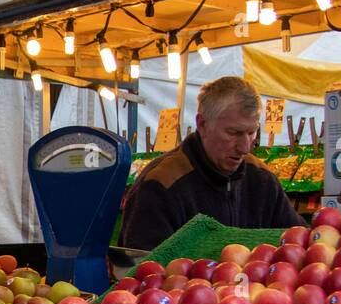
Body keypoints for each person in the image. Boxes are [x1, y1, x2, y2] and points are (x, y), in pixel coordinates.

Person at [119, 76, 305, 250]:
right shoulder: (161, 185)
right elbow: (142, 271)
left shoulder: (262, 179)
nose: (245, 147)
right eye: (233, 133)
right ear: (202, 124)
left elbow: (299, 241)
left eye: (251, 133)